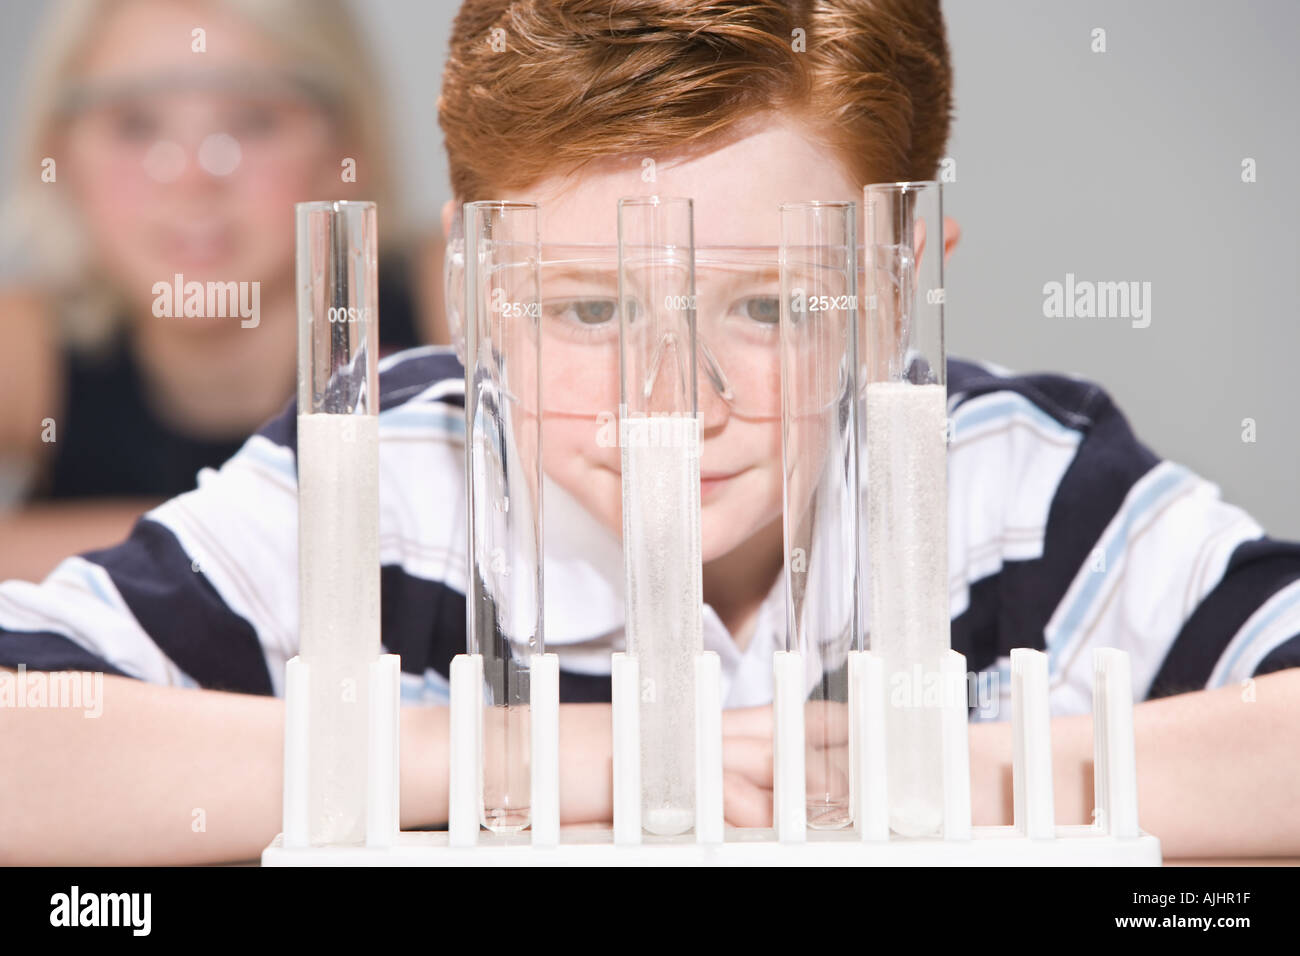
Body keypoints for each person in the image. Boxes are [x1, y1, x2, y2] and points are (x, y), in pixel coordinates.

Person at [1, 0, 1297, 865]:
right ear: (471, 286)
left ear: (900, 283)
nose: (674, 399)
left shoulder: (1020, 484)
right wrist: (531, 757)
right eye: (588, 304)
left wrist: (979, 775)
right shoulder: (392, 480)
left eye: (771, 303)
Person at [0, 0, 443, 583]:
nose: (192, 176)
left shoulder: (455, 300)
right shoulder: (30, 345)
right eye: (135, 124)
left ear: (345, 151)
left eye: (252, 120)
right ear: (58, 156)